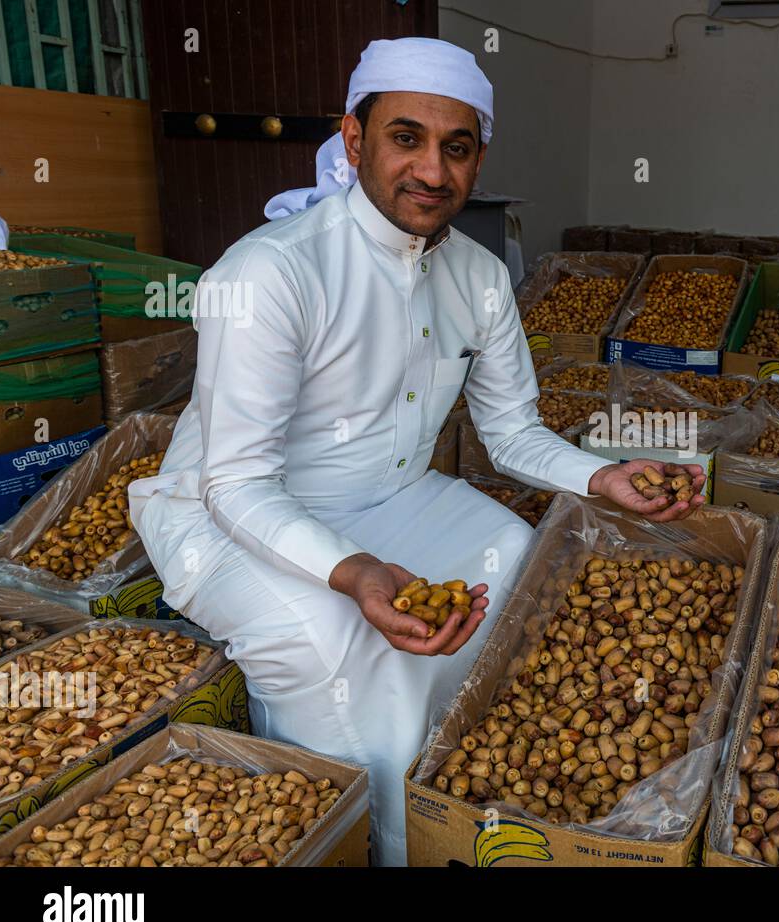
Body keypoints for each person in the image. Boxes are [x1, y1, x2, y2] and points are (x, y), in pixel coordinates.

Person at [128, 37, 705, 866]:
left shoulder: (479, 276)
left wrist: (603, 475)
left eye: (457, 148)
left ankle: (447, 791)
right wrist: (355, 571)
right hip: (227, 516)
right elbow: (237, 483)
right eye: (407, 139)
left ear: (478, 160)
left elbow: (509, 433)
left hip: (390, 493)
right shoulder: (270, 272)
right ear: (356, 141)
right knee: (330, 642)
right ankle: (368, 840)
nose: (433, 172)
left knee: (512, 555)